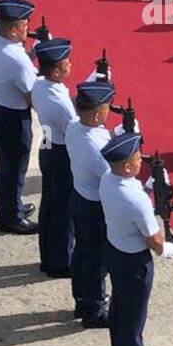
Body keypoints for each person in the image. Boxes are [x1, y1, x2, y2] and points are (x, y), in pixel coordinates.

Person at [100, 129, 173, 346]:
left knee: (120, 308)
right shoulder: (135, 199)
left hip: (115, 250)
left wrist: (149, 187)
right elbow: (154, 238)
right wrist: (165, 248)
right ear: (126, 165)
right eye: (136, 158)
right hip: (134, 260)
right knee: (134, 312)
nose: (139, 160)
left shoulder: (108, 179)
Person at [0, 0, 40, 235]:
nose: (28, 28)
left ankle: (11, 206)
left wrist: (33, 56)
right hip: (14, 118)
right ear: (15, 30)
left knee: (7, 164)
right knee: (14, 168)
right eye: (25, 25)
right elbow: (32, 97)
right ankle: (11, 217)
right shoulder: (17, 60)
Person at [66, 79, 116, 326]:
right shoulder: (98, 145)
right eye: (107, 107)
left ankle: (81, 300)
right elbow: (113, 176)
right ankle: (95, 308)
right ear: (97, 114)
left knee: (82, 252)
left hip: (79, 196)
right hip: (95, 207)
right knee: (97, 258)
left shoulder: (74, 128)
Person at [31, 37, 76, 276]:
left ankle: (48, 256)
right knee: (63, 211)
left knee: (49, 205)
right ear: (57, 71)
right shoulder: (60, 102)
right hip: (61, 154)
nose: (70, 65)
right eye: (66, 62)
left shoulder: (40, 85)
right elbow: (75, 131)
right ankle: (61, 261)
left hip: (47, 145)